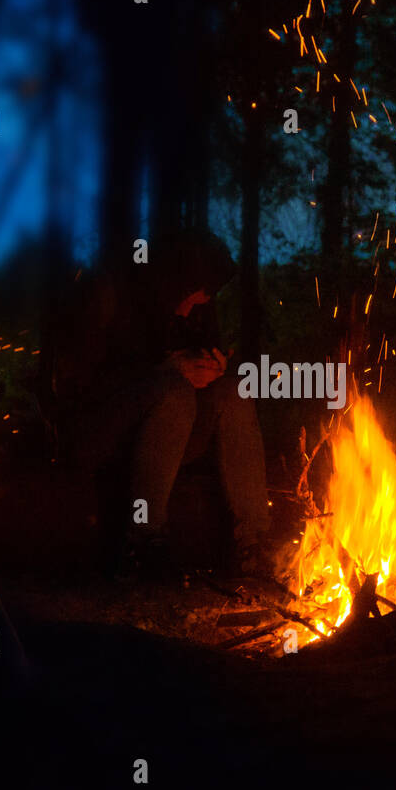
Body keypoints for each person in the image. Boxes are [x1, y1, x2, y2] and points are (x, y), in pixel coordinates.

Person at [61, 230, 272, 580]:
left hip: (170, 433)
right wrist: (164, 370)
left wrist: (213, 366)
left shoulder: (195, 309)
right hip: (103, 433)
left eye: (207, 298)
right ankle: (143, 541)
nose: (198, 306)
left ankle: (254, 542)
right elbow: (83, 386)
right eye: (195, 295)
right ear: (176, 279)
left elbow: (200, 358)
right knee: (174, 392)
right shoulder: (111, 296)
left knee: (234, 391)